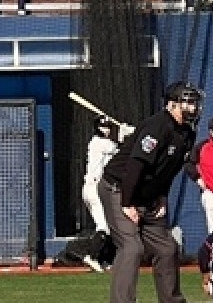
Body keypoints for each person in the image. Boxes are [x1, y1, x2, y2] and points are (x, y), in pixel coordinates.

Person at [98, 82, 200, 303]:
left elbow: (169, 170)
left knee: (167, 248)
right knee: (131, 247)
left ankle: (172, 300)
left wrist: (162, 196)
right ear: (172, 104)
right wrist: (127, 203)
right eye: (188, 102)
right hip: (119, 188)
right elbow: (136, 165)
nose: (193, 108)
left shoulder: (187, 134)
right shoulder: (158, 126)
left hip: (148, 196)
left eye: (194, 102)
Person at [81, 115, 120, 271]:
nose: (106, 130)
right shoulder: (99, 143)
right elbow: (119, 148)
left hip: (94, 188)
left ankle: (105, 260)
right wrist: (129, 132)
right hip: (94, 188)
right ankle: (92, 256)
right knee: (104, 225)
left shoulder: (105, 142)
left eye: (108, 127)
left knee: (108, 225)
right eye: (103, 127)